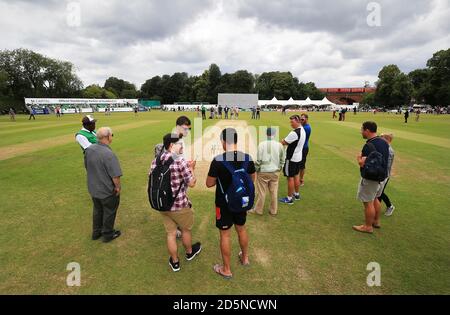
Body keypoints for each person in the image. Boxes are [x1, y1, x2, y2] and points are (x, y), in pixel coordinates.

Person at [206, 128, 256, 279]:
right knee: (241, 229)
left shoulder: (218, 160)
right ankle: (245, 258)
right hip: (241, 201)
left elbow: (209, 183)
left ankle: (226, 269)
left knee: (225, 235)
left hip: (223, 203)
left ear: (222, 141)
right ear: (236, 140)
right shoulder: (247, 158)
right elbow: (252, 179)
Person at [150, 133, 201, 272]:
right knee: (185, 230)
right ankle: (190, 252)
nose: (182, 146)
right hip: (179, 205)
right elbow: (191, 183)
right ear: (171, 145)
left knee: (171, 234)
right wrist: (192, 169)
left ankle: (175, 262)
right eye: (180, 144)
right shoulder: (180, 161)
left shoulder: (156, 160)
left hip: (163, 204)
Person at [84, 127, 122, 243]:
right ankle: (107, 234)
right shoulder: (108, 154)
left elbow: (87, 166)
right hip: (106, 190)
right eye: (112, 135)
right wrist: (117, 188)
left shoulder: (89, 149)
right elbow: (115, 176)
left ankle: (96, 232)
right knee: (109, 211)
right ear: (108, 136)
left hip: (93, 188)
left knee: (98, 209)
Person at [353, 121, 390, 234]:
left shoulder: (368, 145)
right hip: (382, 176)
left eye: (362, 129)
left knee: (368, 202)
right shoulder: (384, 142)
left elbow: (362, 163)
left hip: (371, 178)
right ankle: (376, 221)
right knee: (376, 199)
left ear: (367, 130)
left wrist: (358, 158)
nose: (361, 132)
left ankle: (368, 226)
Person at [250, 127, 285, 216]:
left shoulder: (261, 144)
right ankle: (273, 211)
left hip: (263, 171)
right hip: (275, 172)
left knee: (262, 192)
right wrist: (280, 168)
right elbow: (283, 159)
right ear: (274, 134)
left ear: (266, 134)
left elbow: (258, 160)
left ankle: (258, 210)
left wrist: (256, 169)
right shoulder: (279, 145)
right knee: (274, 192)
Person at [279, 115, 306, 205]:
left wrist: (282, 140)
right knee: (296, 175)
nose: (291, 124)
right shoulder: (303, 130)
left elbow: (283, 142)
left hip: (291, 158)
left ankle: (289, 198)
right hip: (298, 157)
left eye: (292, 122)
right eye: (290, 122)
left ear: (298, 121)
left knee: (290, 177)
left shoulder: (294, 133)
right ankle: (296, 194)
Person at [379, 134, 396, 216]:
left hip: (384, 175)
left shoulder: (389, 151)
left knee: (380, 192)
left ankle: (390, 206)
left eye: (381, 139)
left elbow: (387, 165)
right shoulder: (384, 148)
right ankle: (376, 210)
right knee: (378, 192)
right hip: (381, 174)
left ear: (387, 140)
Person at [299, 114, 312, 187]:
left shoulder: (306, 128)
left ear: (307, 119)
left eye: (302, 119)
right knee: (298, 164)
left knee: (302, 165)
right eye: (300, 119)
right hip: (300, 148)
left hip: (303, 148)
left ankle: (301, 180)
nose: (301, 120)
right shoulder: (303, 126)